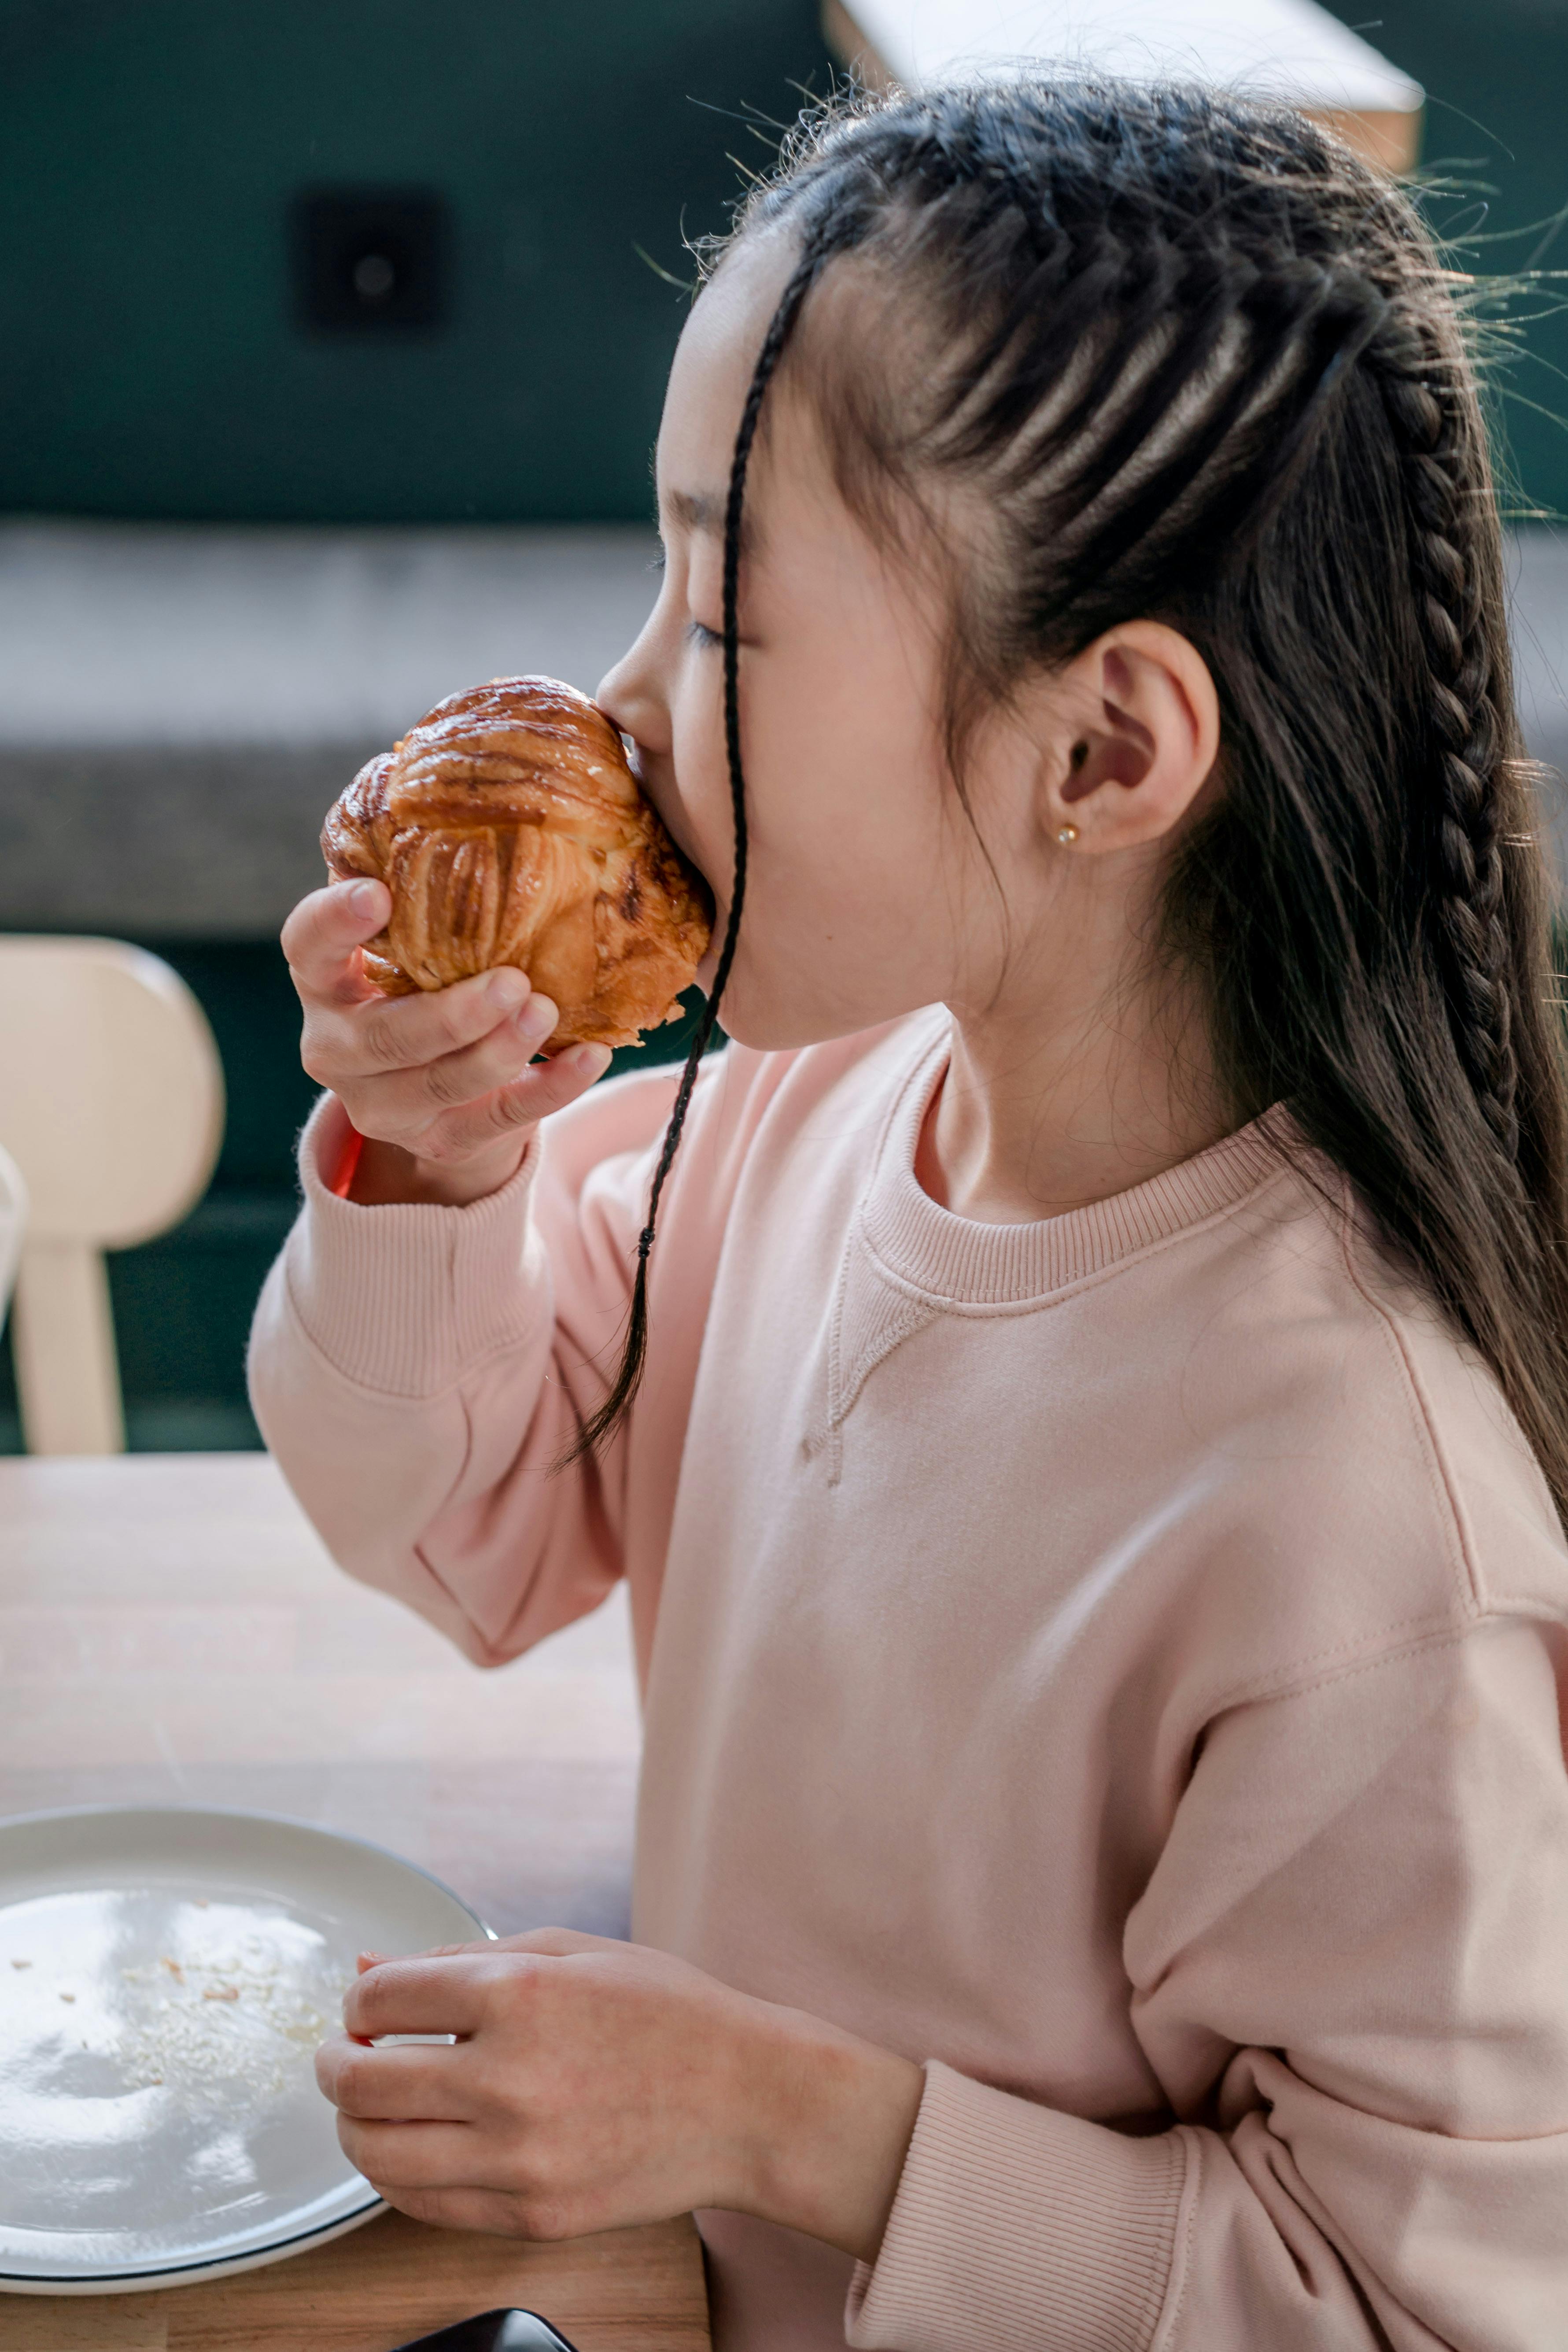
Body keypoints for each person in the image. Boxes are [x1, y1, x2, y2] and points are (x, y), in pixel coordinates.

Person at [251, 78, 1568, 2352]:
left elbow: (1412, 2311)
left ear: (1102, 754)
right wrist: (426, 1168)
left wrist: (788, 2123)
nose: (619, 699)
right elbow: (459, 1521)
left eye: (719, 618)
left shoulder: (1369, 1542)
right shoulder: (809, 1105)